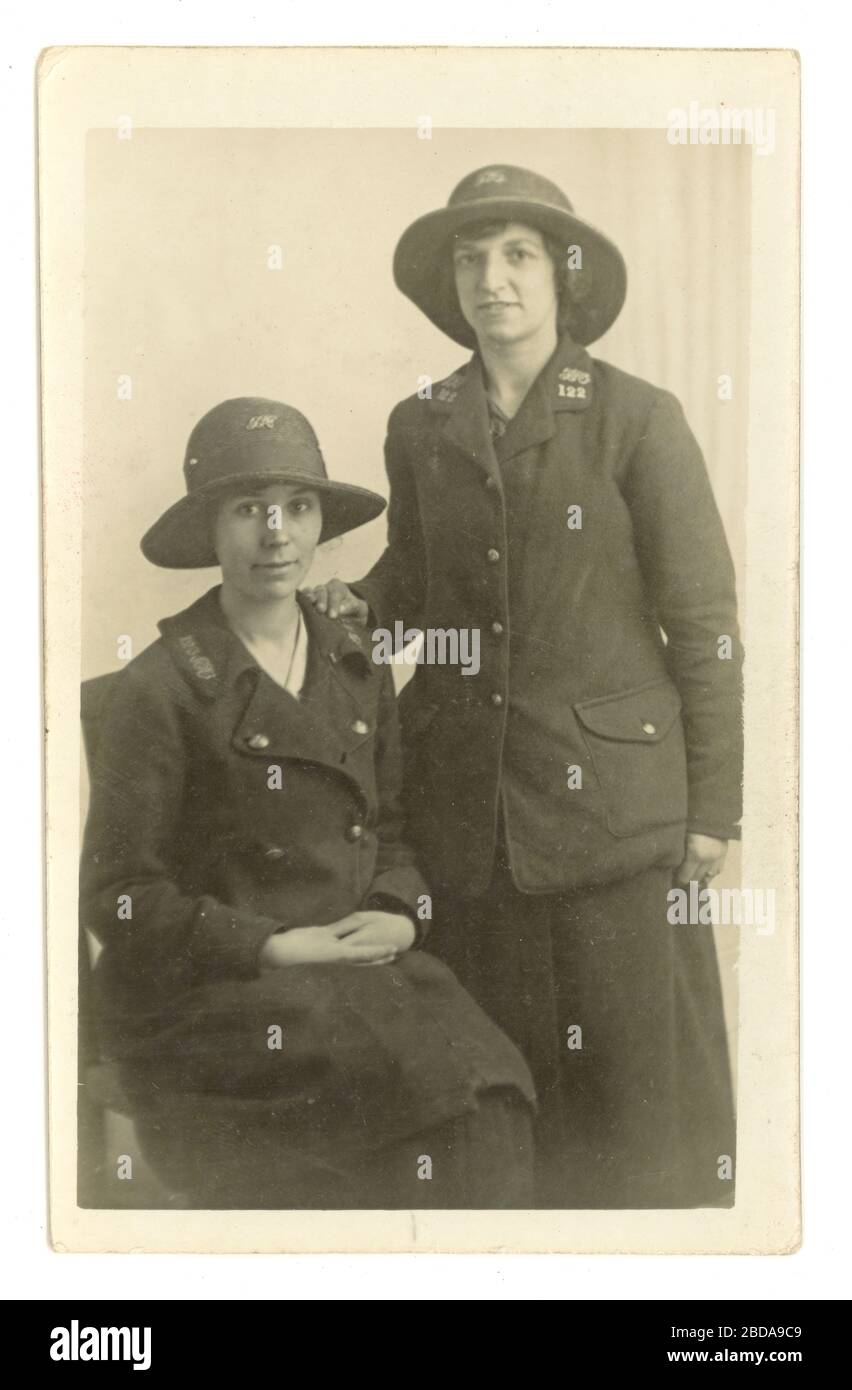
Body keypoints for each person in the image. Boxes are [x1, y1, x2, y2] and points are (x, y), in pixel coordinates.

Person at [304, 165, 743, 1208]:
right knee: (505, 1111)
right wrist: (358, 606)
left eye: (517, 254)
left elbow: (709, 626)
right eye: (470, 257)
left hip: (616, 822)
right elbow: (417, 580)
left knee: (639, 1124)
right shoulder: (421, 424)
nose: (491, 279)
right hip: (470, 821)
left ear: (563, 274)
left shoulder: (639, 418)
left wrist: (715, 808)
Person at [80, 396, 536, 1210]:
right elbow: (118, 900)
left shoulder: (354, 661)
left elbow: (391, 833)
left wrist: (402, 914)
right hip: (221, 991)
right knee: (433, 1113)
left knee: (492, 1086)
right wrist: (275, 947)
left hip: (359, 967)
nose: (276, 533)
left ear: (320, 523)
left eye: (297, 508)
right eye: (247, 510)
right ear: (210, 531)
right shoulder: (160, 687)